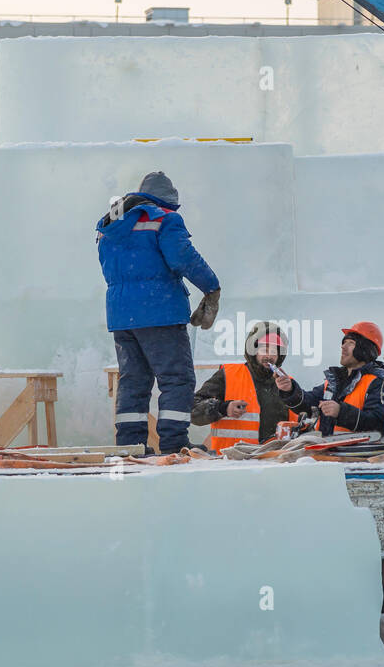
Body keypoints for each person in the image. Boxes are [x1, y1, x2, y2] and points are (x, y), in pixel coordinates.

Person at [96, 171, 221, 454]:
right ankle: (174, 443)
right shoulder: (164, 218)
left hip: (121, 314)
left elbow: (113, 264)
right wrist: (211, 287)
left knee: (133, 380)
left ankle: (130, 445)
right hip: (160, 310)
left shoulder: (111, 222)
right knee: (176, 379)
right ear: (169, 201)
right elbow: (181, 257)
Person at [192, 321, 298, 452]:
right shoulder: (228, 375)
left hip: (274, 462)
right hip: (232, 463)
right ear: (253, 351)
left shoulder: (288, 386)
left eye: (274, 351)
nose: (269, 356)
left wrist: (292, 393)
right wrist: (223, 408)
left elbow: (303, 424)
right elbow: (193, 410)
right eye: (264, 349)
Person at [274, 322, 384, 436]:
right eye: (344, 343)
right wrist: (290, 390)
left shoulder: (378, 382)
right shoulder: (334, 381)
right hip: (327, 451)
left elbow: (378, 423)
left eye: (350, 343)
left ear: (365, 349)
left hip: (357, 453)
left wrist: (341, 412)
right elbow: (308, 405)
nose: (343, 347)